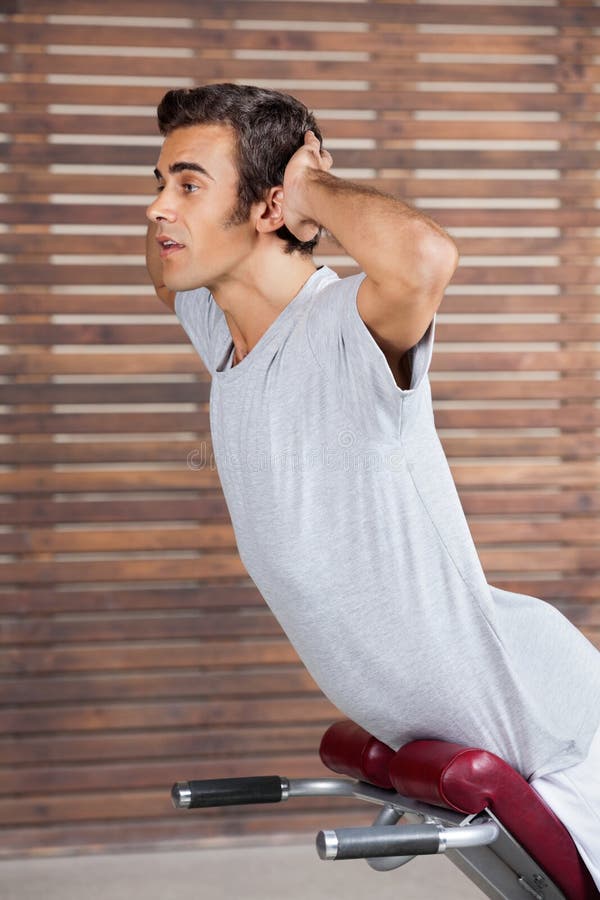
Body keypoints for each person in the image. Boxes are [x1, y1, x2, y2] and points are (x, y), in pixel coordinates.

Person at [146, 83, 600, 884]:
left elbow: (428, 256)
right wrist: (216, 195)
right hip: (444, 700)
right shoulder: (221, 331)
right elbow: (162, 270)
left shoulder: (345, 327)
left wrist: (311, 184)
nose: (158, 209)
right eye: (159, 183)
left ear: (267, 208)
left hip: (545, 711)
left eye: (187, 185)